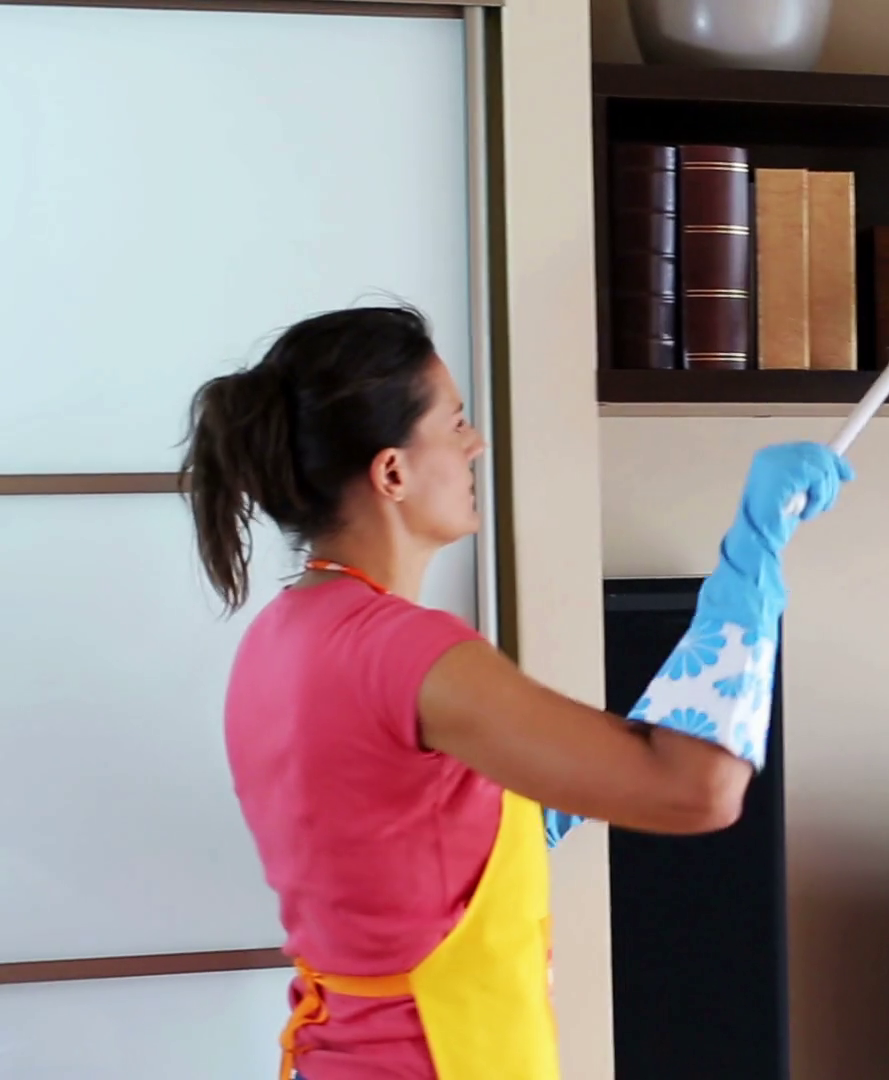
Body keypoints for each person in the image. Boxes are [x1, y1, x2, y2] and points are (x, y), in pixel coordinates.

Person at [181, 305, 852, 1080]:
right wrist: (753, 558)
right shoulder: (410, 653)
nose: (476, 444)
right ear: (391, 471)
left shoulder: (283, 636)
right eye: (456, 421)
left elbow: (492, 832)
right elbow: (697, 790)